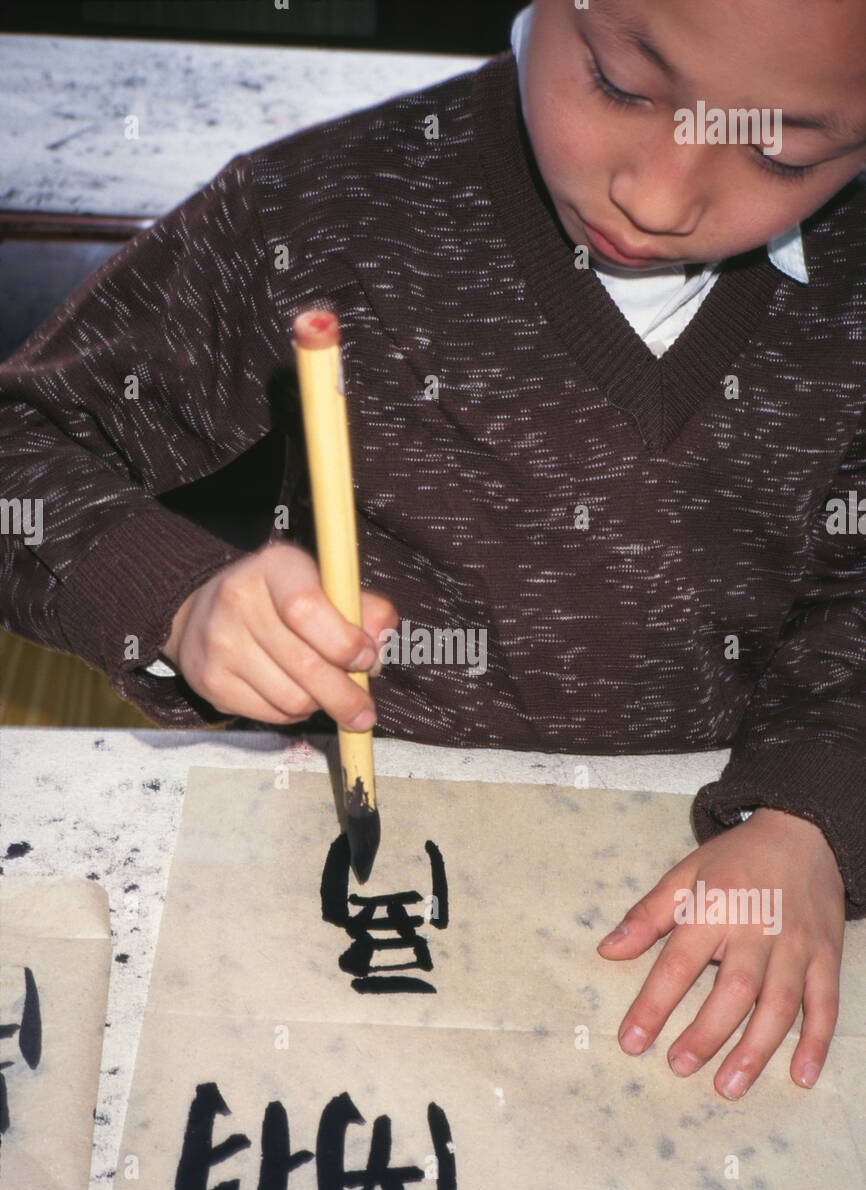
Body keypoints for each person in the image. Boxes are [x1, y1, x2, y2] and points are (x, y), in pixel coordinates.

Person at [2, 0, 865, 1100]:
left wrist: (812, 811)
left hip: (721, 878)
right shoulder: (317, 213)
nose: (656, 191)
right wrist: (170, 597)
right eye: (618, 87)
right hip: (362, 865)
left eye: (777, 147)